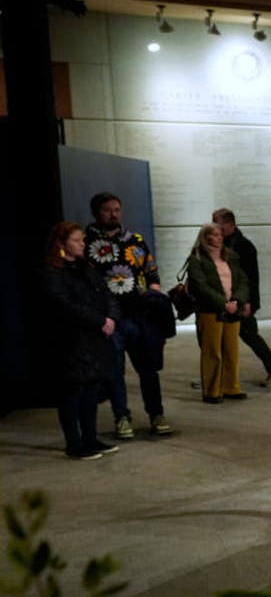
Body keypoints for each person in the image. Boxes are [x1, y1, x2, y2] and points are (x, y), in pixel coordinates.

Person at [82, 192, 173, 438]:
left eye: (117, 209)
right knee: (114, 373)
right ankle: (122, 417)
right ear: (96, 213)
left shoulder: (135, 239)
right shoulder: (86, 242)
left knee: (148, 370)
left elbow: (152, 272)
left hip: (141, 317)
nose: (113, 214)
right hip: (111, 320)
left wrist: (154, 295)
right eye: (107, 210)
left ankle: (156, 414)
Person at [44, 221, 121, 460]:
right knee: (72, 392)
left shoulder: (86, 267)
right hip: (72, 340)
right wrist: (99, 321)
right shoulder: (52, 271)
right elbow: (65, 305)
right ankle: (74, 443)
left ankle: (90, 437)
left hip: (96, 339)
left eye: (82, 239)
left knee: (91, 389)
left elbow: (107, 294)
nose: (83, 244)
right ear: (62, 243)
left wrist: (111, 318)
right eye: (77, 240)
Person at [212, 209, 271, 388]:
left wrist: (247, 303)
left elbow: (251, 278)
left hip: (242, 300)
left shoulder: (244, 246)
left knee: (249, 335)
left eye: (217, 223)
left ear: (230, 224)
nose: (214, 226)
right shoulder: (222, 244)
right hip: (227, 300)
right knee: (220, 337)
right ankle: (215, 376)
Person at [184, 224, 250, 404]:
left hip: (232, 308)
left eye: (220, 234)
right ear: (205, 237)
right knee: (212, 351)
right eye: (214, 235)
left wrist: (238, 300)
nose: (219, 237)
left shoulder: (231, 256)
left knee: (231, 350)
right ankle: (212, 391)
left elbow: (243, 280)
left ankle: (231, 387)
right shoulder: (196, 259)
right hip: (210, 310)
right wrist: (223, 303)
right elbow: (200, 286)